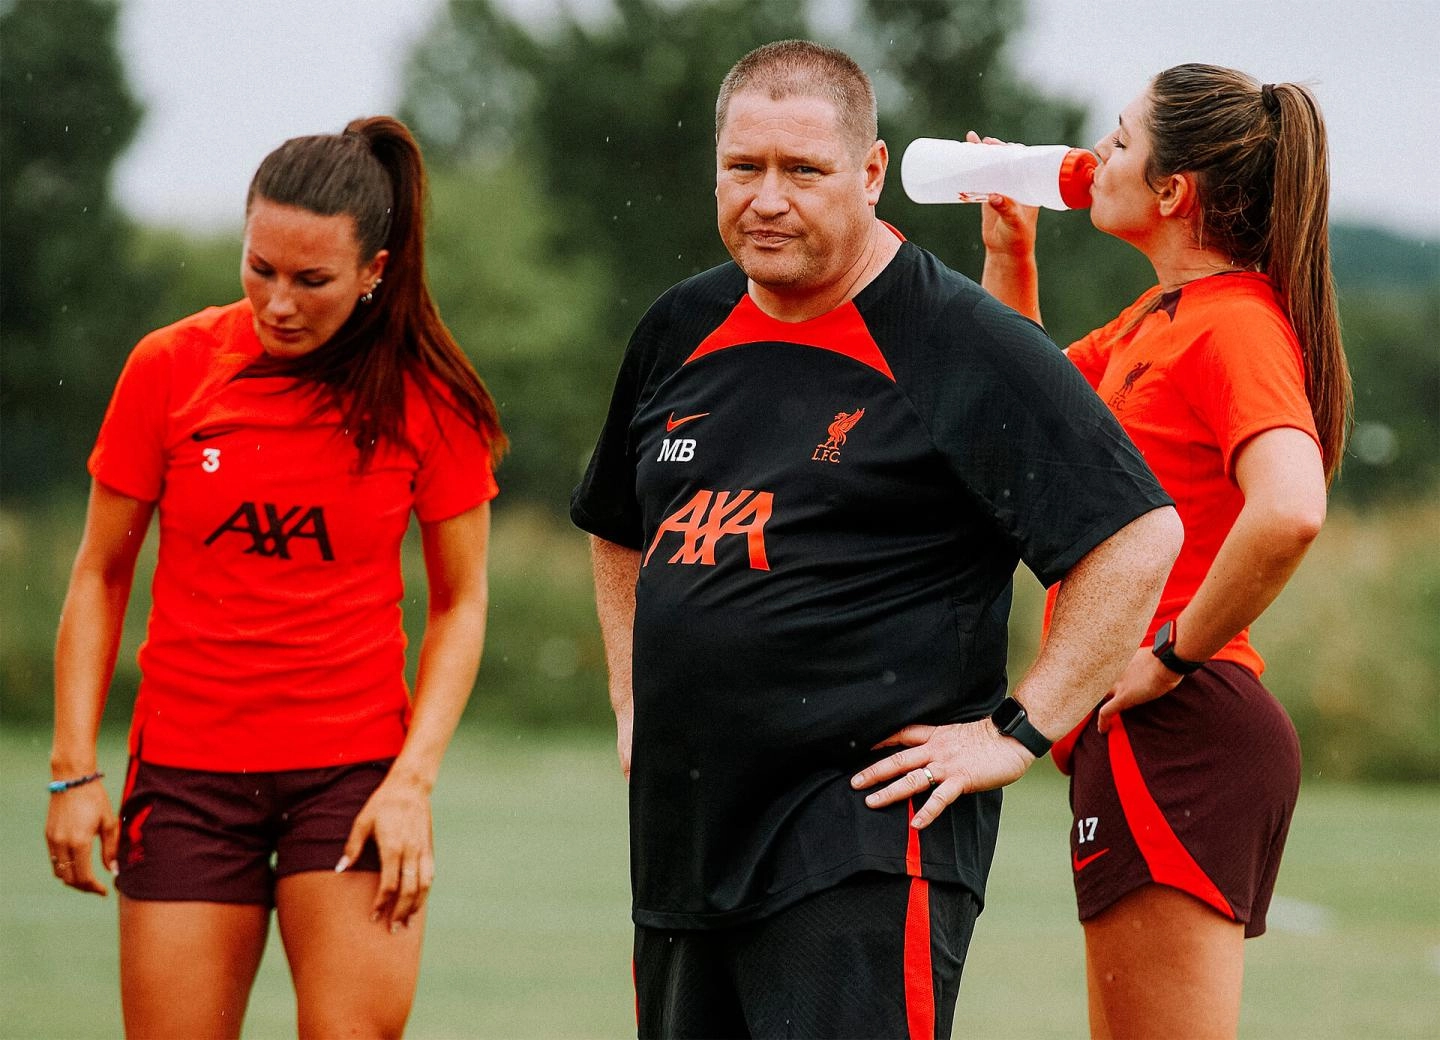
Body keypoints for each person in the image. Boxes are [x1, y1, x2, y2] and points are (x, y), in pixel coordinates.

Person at [571, 39, 1182, 1039]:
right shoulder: (679, 325)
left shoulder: (959, 338)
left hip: (862, 836)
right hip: (685, 834)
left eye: (803, 171)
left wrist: (1019, 728)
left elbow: (1137, 534)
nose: (768, 197)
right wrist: (633, 693)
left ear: (870, 172)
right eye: (743, 167)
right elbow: (616, 526)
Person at [43, 116, 505, 1039]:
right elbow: (100, 575)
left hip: (353, 782)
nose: (278, 302)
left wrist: (411, 782)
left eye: (312, 280)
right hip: (185, 779)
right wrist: (71, 771)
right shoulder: (169, 369)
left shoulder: (429, 395)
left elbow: (460, 602)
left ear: (374, 270)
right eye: (259, 267)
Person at [972, 64, 1351, 1039]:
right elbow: (1018, 419)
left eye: (1121, 141)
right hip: (1144, 728)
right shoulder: (1158, 320)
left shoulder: (1234, 326)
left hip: (1178, 721)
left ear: (1173, 190)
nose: (1099, 157)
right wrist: (1011, 255)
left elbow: (1291, 508)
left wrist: (1171, 650)